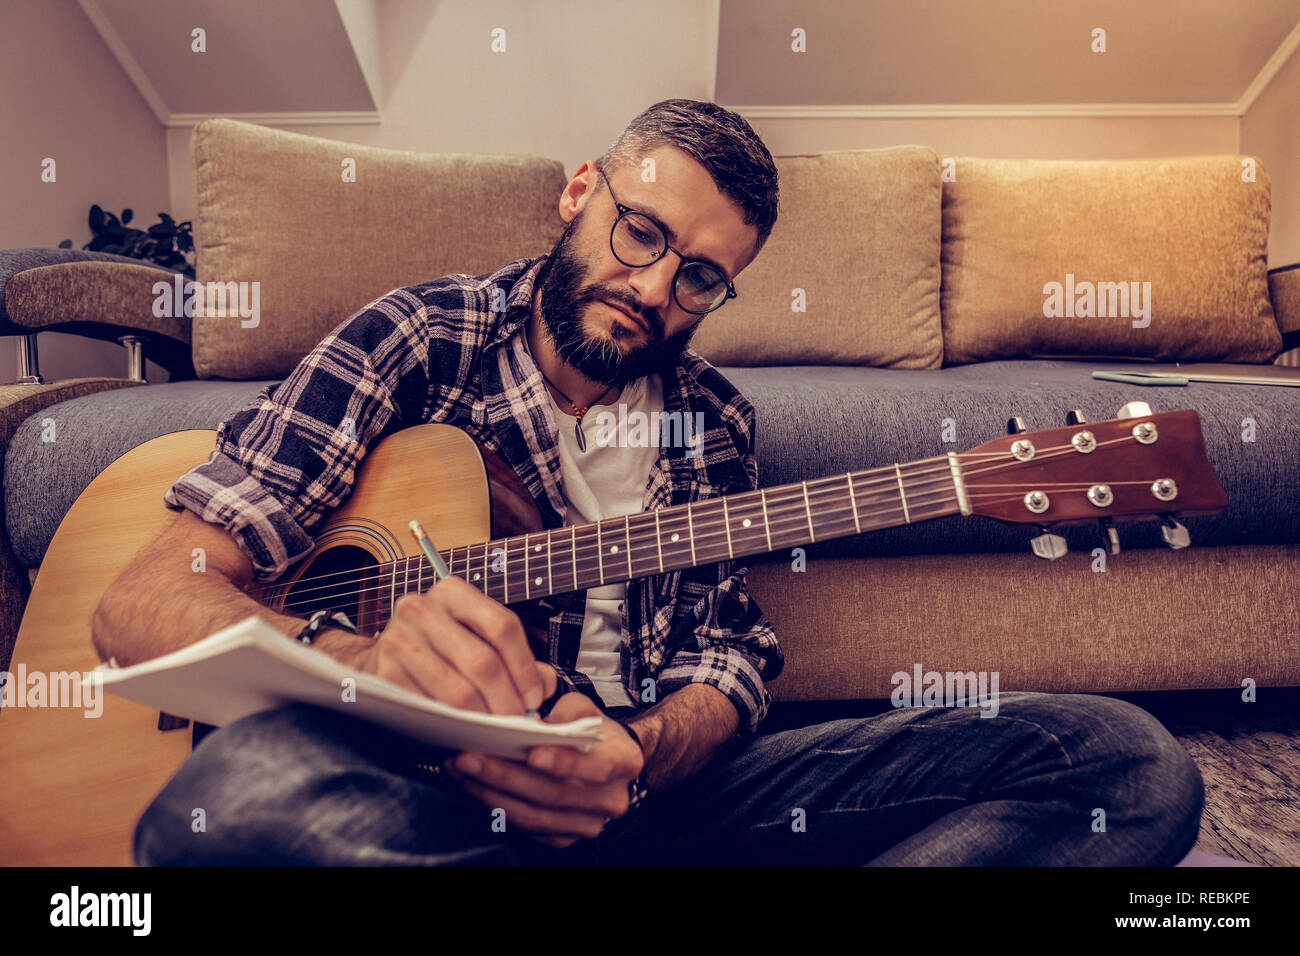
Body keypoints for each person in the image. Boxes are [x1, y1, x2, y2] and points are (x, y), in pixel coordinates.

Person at [98, 99, 1204, 865]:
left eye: (700, 276)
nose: (653, 286)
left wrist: (639, 754)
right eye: (640, 232)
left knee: (1122, 762)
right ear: (580, 192)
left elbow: (730, 654)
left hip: (642, 804)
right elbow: (140, 605)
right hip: (410, 787)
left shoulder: (712, 419)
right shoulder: (417, 338)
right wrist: (362, 667)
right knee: (225, 810)